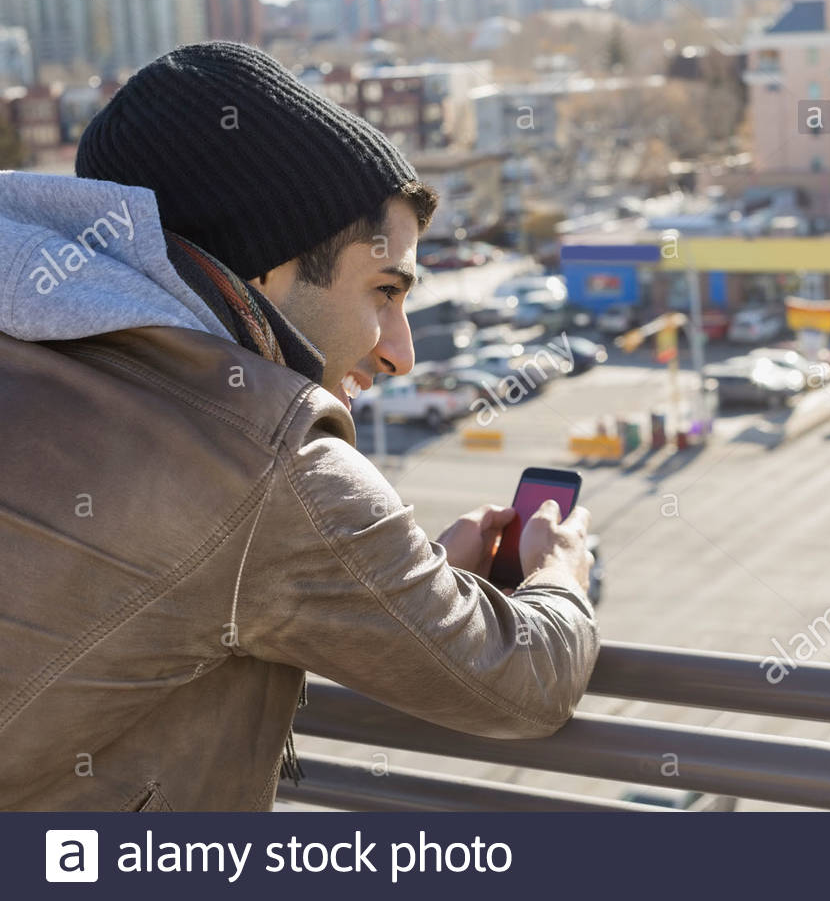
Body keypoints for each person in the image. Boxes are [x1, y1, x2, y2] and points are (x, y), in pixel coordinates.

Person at [0, 42, 598, 811]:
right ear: (266, 268)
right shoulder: (262, 454)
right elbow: (517, 684)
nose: (402, 353)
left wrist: (382, 579)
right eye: (385, 290)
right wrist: (561, 577)